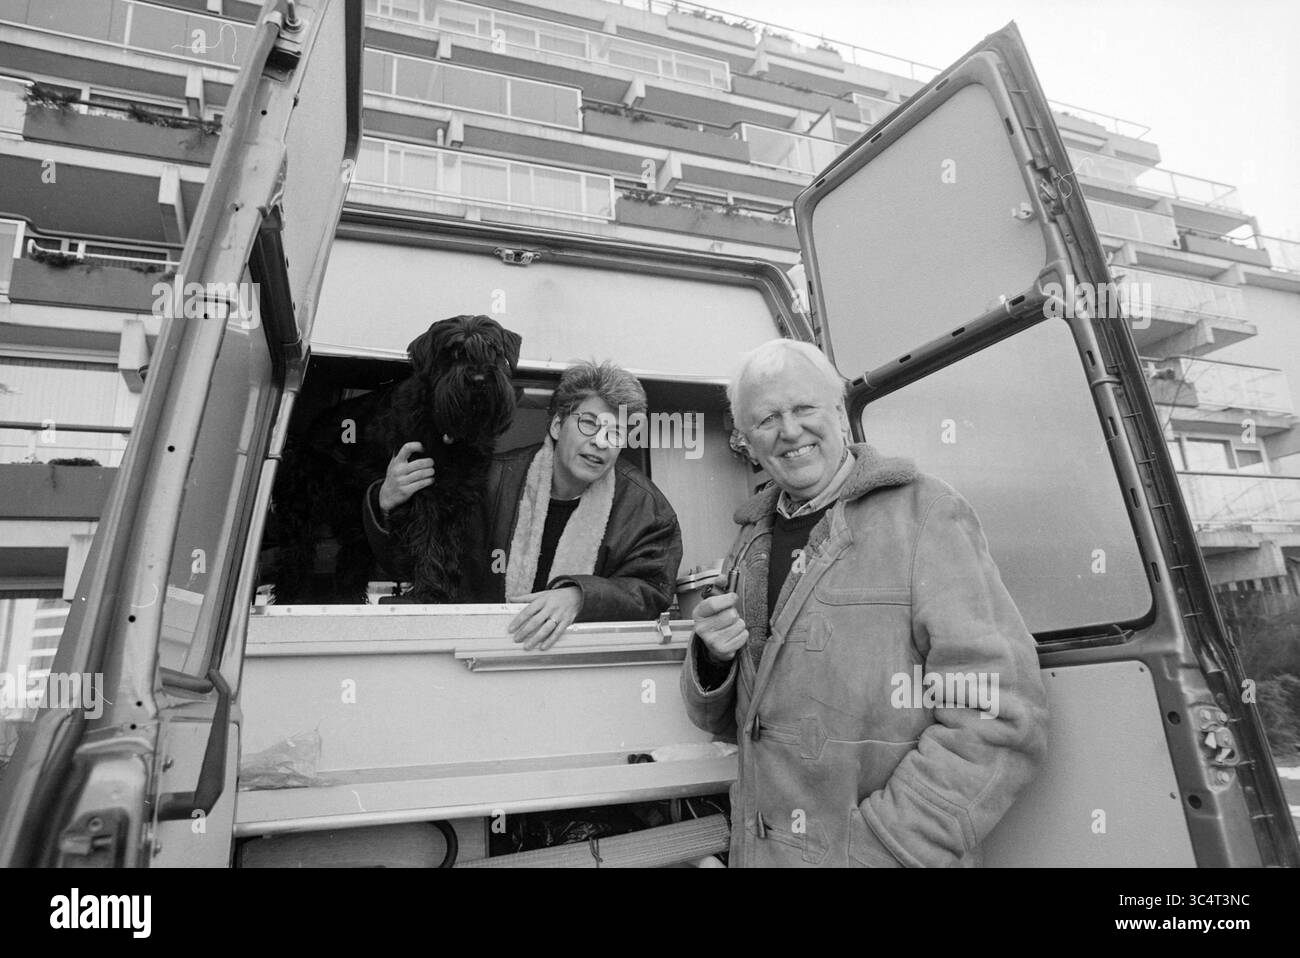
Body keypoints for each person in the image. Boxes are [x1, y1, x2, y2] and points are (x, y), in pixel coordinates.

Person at [681, 339, 1048, 867]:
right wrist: (713, 658)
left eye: (804, 408)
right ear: (747, 441)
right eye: (766, 419)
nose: (789, 431)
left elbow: (997, 712)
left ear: (840, 413)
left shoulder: (924, 514)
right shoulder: (750, 538)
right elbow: (736, 721)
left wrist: (881, 849)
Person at [364, 360, 683, 650]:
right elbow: (416, 565)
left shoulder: (646, 507)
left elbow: (652, 589)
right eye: (588, 423)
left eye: (615, 431)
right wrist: (387, 503)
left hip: (578, 666)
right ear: (557, 425)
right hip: (476, 655)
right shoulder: (488, 480)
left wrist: (580, 596)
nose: (601, 442)